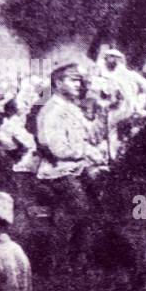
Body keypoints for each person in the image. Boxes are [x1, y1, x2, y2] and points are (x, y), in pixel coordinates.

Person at [33, 62, 93, 271]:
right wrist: (82, 154)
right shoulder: (52, 109)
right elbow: (53, 145)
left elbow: (89, 135)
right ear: (58, 83)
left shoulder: (72, 107)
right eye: (73, 80)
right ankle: (62, 259)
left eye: (80, 80)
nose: (79, 84)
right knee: (80, 208)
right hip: (57, 170)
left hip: (78, 166)